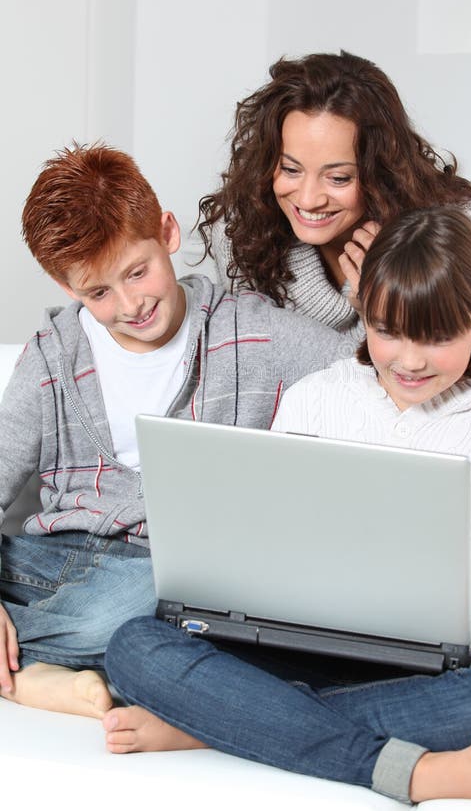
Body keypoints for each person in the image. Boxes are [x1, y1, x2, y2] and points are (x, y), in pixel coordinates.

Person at [102, 207, 471, 805]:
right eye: (387, 331)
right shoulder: (315, 398)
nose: (409, 361)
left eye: (435, 337)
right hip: (292, 648)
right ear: (363, 310)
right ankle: (394, 766)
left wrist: (449, 585)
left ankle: (223, 724)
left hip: (424, 674)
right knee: (134, 646)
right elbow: (267, 541)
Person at [0, 143, 348, 720]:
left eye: (138, 272)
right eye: (98, 292)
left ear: (167, 232)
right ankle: (39, 667)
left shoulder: (252, 335)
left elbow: (379, 366)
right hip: (51, 559)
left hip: (160, 571)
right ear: (68, 287)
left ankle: (30, 662)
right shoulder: (52, 356)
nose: (131, 304)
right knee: (130, 617)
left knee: (153, 609)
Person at [196, 50, 471, 488]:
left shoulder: (458, 228)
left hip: (432, 443)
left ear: (379, 171)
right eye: (290, 169)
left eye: (339, 178)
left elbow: (458, 360)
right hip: (307, 449)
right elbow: (261, 367)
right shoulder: (243, 234)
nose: (308, 199)